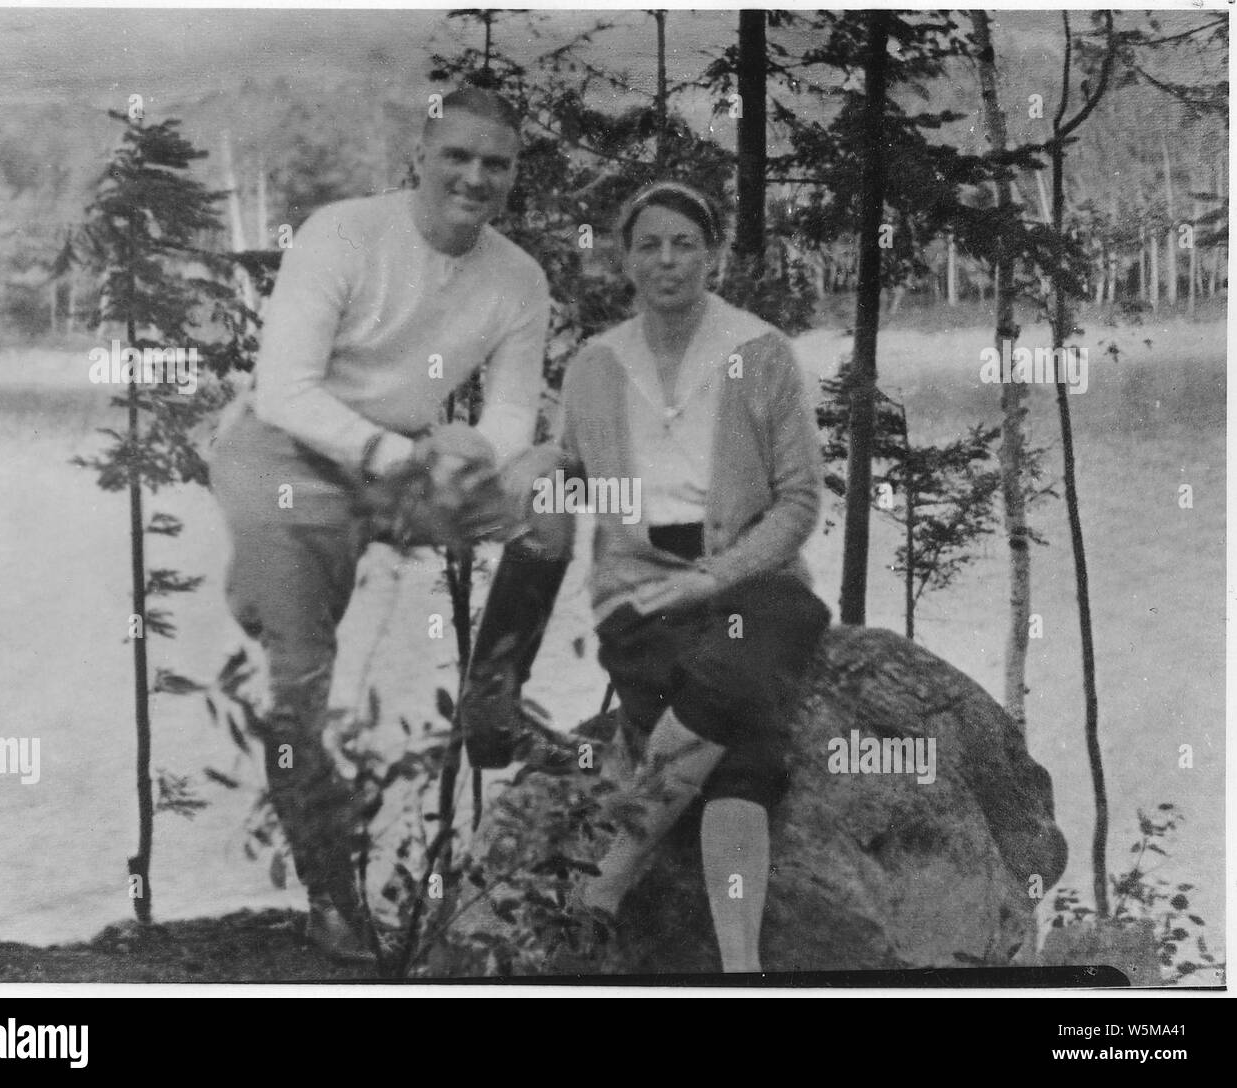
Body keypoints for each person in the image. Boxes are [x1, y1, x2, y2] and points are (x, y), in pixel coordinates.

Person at [208, 86, 551, 963]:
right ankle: (330, 896)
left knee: (547, 508)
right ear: (420, 160)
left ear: (513, 175)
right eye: (458, 157)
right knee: (298, 684)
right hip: (284, 455)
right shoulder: (344, 234)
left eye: (496, 164)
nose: (475, 178)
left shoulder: (518, 278)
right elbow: (285, 388)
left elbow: (513, 416)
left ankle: (492, 698)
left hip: (406, 461)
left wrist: (475, 452)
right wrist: (403, 459)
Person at [462, 180, 831, 973]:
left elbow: (800, 504)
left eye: (685, 244)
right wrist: (527, 472)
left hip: (748, 586)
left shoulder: (760, 354)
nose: (668, 261)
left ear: (714, 255)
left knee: (772, 636)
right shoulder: (598, 365)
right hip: (641, 592)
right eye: (650, 245)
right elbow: (572, 474)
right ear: (627, 260)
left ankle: (608, 876)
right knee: (744, 746)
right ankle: (742, 972)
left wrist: (713, 577)